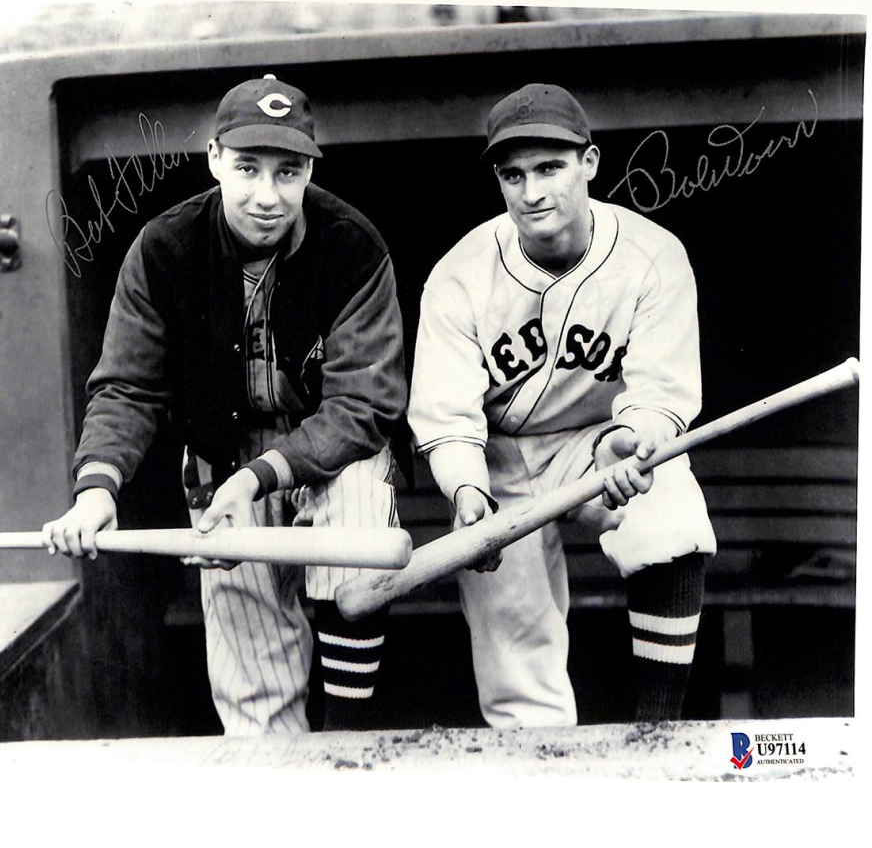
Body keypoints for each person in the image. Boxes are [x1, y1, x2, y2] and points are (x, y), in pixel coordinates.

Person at [42, 75, 408, 735]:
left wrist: (257, 477)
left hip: (328, 447)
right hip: (224, 450)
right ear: (214, 158)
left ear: (309, 170)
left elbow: (365, 406)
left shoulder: (352, 243)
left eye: (288, 172)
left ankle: (351, 744)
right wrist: (98, 488)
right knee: (253, 688)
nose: (267, 195)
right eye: (247, 168)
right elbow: (128, 385)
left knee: (355, 513)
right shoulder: (165, 245)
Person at [407, 83, 717, 727]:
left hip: (595, 442)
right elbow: (446, 414)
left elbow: (662, 388)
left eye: (549, 168)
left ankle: (657, 733)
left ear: (590, 163)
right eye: (513, 174)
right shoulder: (459, 274)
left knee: (671, 507)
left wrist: (633, 439)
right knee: (519, 679)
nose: (532, 192)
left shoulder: (653, 255)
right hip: (494, 463)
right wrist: (466, 492)